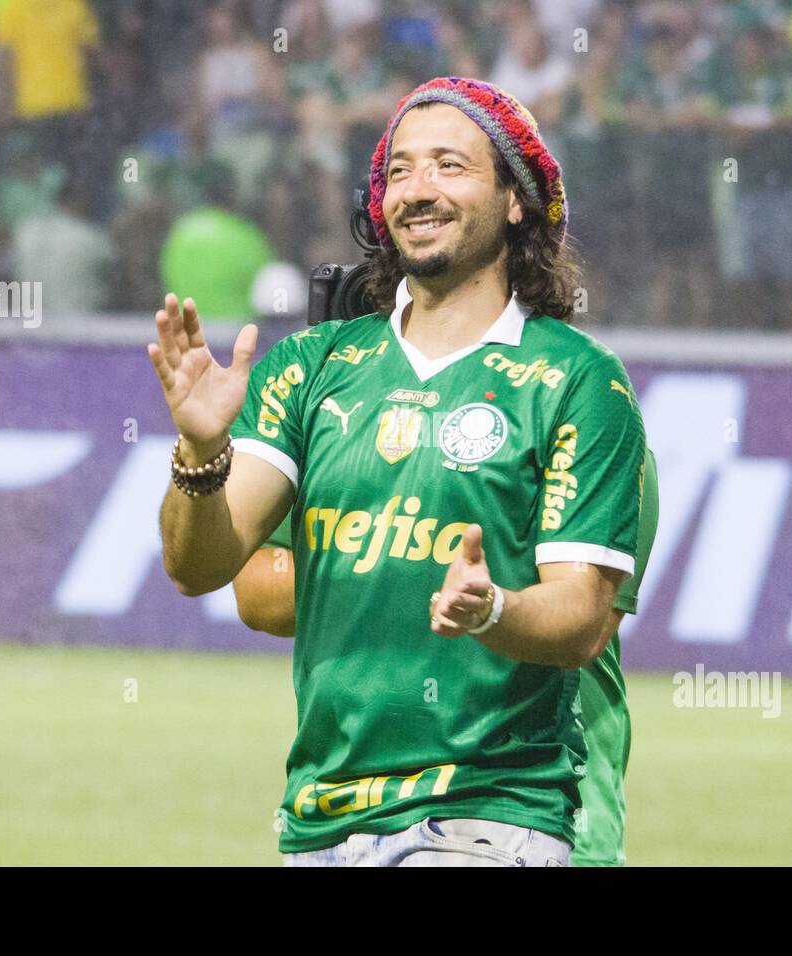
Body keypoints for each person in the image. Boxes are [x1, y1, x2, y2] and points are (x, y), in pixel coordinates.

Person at [149, 76, 648, 866]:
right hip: (319, 820)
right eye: (400, 170)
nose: (419, 189)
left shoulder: (580, 381)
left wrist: (490, 611)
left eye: (450, 165)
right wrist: (202, 453)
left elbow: (582, 620)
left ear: (516, 200)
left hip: (487, 816)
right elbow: (202, 569)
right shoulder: (311, 368)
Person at [233, 449, 659, 866]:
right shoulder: (344, 420)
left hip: (528, 817)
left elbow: (583, 626)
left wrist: (388, 565)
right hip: (343, 812)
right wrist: (408, 563)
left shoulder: (589, 427)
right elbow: (256, 595)